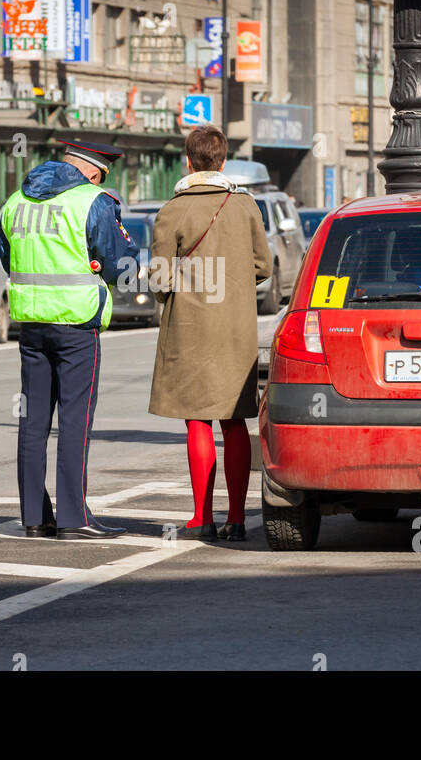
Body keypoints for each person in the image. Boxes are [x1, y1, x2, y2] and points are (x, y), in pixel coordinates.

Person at [0, 140, 138, 540]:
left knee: (33, 420)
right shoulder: (93, 201)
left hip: (31, 325)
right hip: (77, 324)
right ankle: (75, 518)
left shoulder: (15, 201)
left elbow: (8, 258)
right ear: (94, 173)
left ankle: (34, 517)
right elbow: (120, 266)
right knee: (74, 421)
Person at [148, 124, 271, 541]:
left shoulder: (172, 209)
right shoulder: (246, 205)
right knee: (235, 422)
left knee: (198, 421)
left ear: (188, 161)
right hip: (236, 328)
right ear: (222, 161)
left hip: (189, 329)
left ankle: (202, 517)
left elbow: (160, 279)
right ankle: (237, 519)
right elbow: (264, 267)